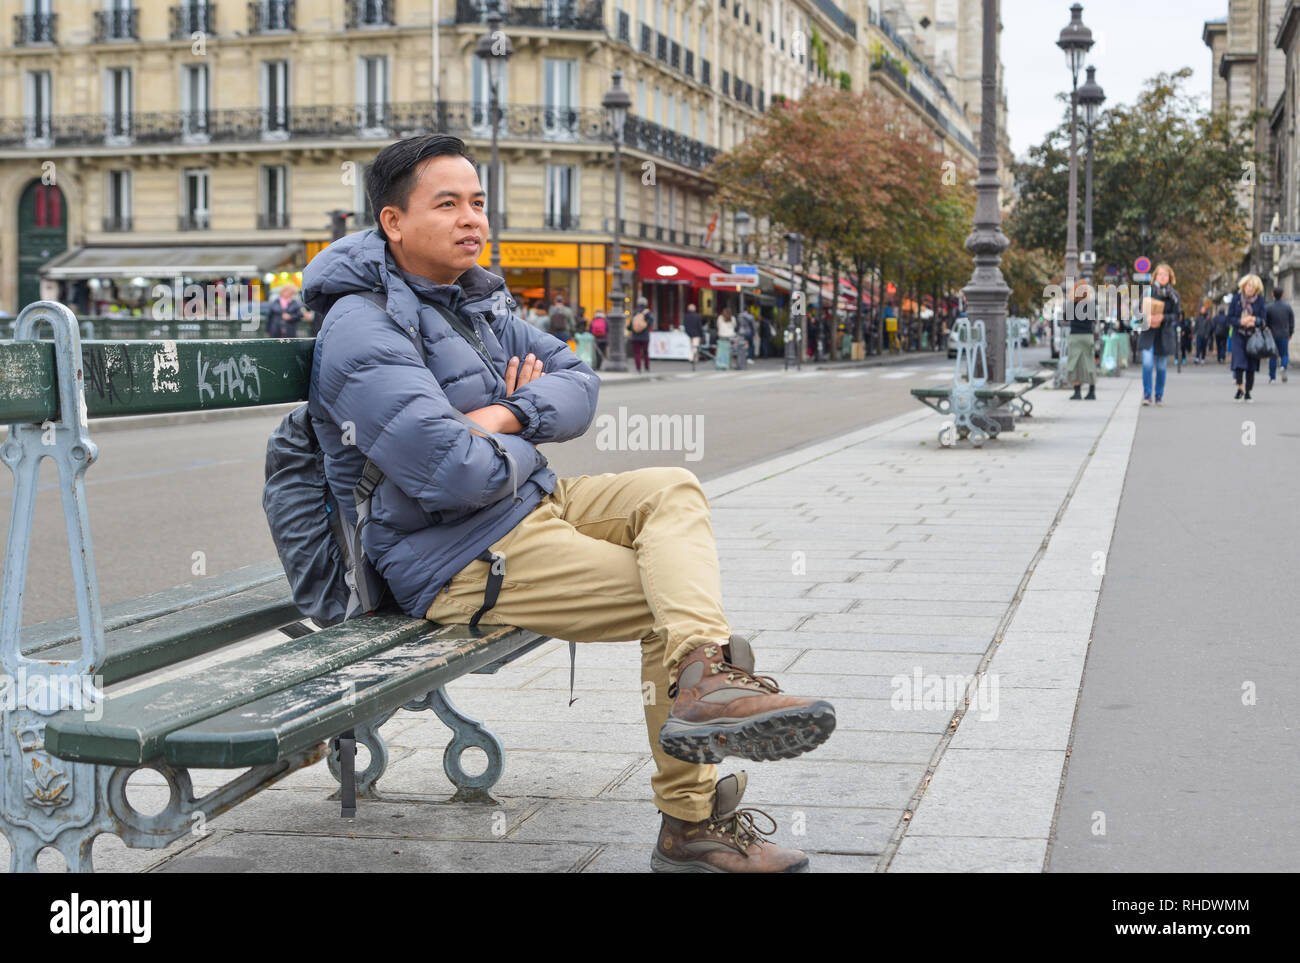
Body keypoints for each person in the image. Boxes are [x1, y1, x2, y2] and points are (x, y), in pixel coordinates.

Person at [303, 134, 834, 872]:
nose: (472, 220)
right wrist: (519, 414)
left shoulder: (473, 303)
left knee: (672, 487)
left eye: (478, 202)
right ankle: (690, 820)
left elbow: (578, 381)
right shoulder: (362, 327)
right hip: (451, 552)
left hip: (528, 502)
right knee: (665, 601)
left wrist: (505, 413)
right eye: (448, 203)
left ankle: (703, 678)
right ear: (393, 222)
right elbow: (452, 474)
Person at [1136, 262, 1181, 406]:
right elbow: (1137, 311)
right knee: (1147, 364)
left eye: (1165, 275)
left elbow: (1176, 316)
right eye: (1160, 274)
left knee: (1161, 367)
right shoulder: (1148, 291)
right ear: (1155, 276)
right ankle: (1147, 394)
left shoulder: (1174, 295)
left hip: (1164, 334)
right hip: (1149, 333)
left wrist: (1163, 318)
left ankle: (1159, 395)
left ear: (1170, 277)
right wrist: (1146, 317)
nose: (1162, 277)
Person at [1227, 273, 1267, 402]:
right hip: (1239, 334)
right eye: (1248, 286)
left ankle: (1248, 392)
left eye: (1253, 287)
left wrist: (1255, 320)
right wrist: (1241, 321)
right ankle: (1239, 387)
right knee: (1239, 362)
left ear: (1257, 289)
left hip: (1253, 336)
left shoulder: (1260, 301)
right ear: (1244, 286)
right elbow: (1230, 318)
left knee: (1251, 365)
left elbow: (1264, 319)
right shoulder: (1236, 299)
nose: (1250, 289)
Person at [1066, 279, 1098, 400]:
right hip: (1087, 336)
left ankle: (1077, 392)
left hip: (1075, 336)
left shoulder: (1071, 304)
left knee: (1075, 364)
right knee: (1089, 363)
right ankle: (1091, 391)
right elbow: (1094, 319)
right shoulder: (1090, 305)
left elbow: (1065, 317)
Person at [1265, 286, 1294, 383]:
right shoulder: (1287, 307)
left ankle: (1272, 378)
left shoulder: (1268, 307)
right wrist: (1290, 332)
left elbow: (1266, 322)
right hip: (1284, 334)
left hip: (1272, 335)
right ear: (1283, 295)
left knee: (1273, 356)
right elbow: (1291, 321)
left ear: (1272, 294)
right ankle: (1283, 366)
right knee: (1284, 354)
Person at [627, 296, 653, 372]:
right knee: (645, 352)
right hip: (645, 336)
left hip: (635, 336)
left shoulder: (634, 312)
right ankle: (647, 368)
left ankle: (638, 369)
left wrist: (633, 328)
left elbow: (629, 326)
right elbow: (650, 323)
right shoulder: (648, 312)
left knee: (637, 353)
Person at [682, 301, 704, 367]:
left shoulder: (686, 316)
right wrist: (701, 334)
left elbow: (685, 325)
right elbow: (699, 326)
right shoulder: (697, 316)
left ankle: (695, 358)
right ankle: (692, 358)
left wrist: (687, 332)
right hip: (696, 333)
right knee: (695, 346)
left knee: (691, 346)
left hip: (689, 333)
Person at [1194, 299, 1214, 364]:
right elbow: (1196, 326)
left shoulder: (1208, 318)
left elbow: (1209, 326)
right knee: (1198, 347)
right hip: (1199, 334)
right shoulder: (1198, 317)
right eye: (1202, 309)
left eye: (1204, 309)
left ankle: (1203, 358)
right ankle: (1197, 358)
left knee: (1203, 347)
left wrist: (1207, 334)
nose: (1202, 310)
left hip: (1205, 335)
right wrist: (1195, 332)